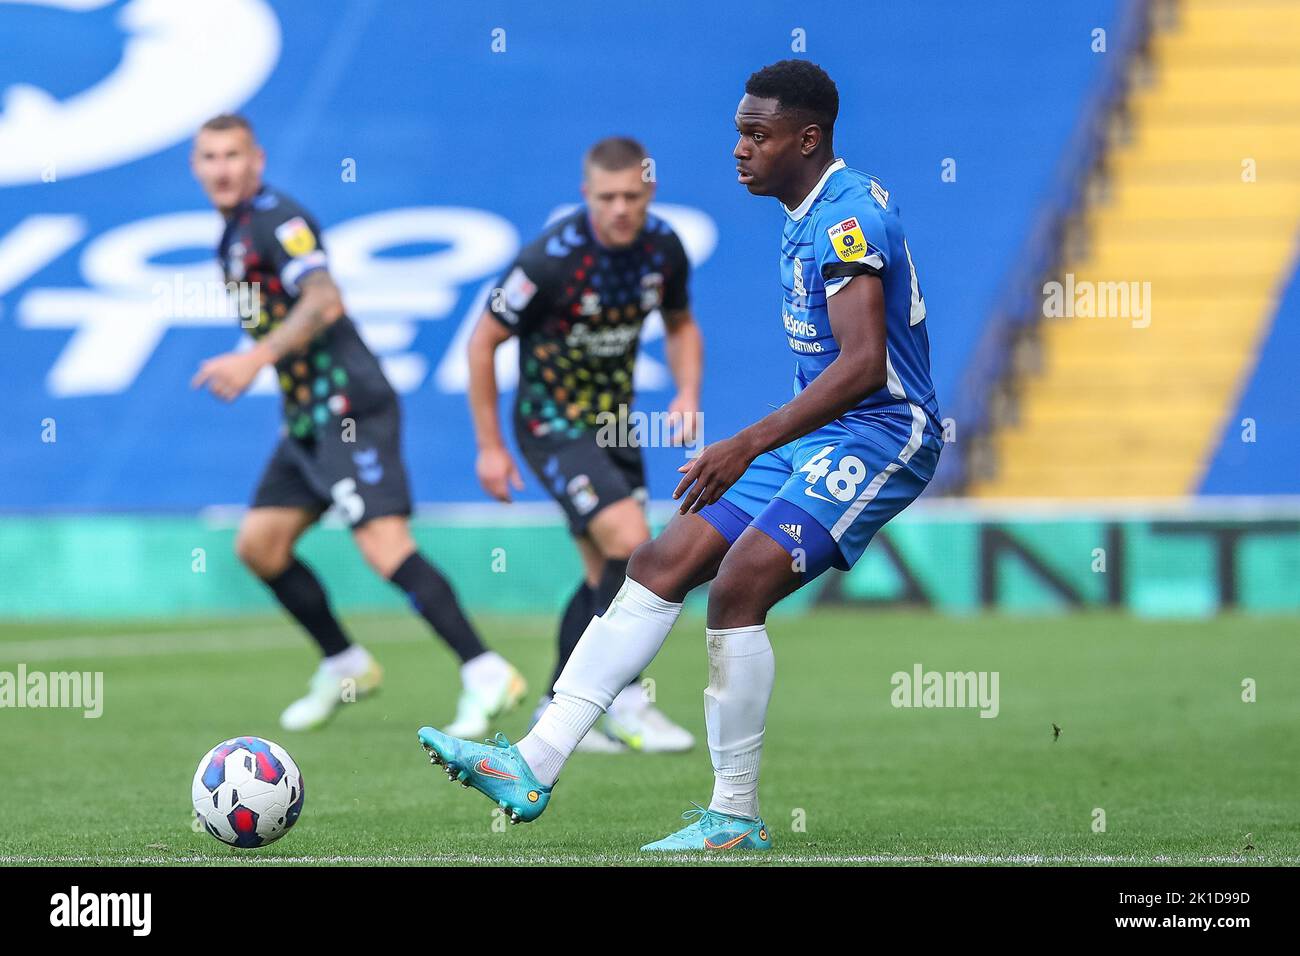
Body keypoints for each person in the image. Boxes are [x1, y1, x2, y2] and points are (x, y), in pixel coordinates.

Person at [416, 59, 942, 851]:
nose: (739, 149)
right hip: (818, 435)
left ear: (807, 138)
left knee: (736, 588)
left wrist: (746, 440)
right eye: (738, 131)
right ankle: (533, 759)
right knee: (661, 561)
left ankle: (734, 815)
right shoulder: (809, 207)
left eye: (756, 136)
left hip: (881, 433)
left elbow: (864, 366)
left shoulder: (846, 221)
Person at [190, 113, 524, 735]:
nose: (223, 168)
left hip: (348, 407)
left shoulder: (276, 221)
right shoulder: (231, 235)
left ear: (257, 160)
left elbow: (324, 298)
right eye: (210, 157)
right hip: (306, 418)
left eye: (233, 155)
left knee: (384, 546)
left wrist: (256, 357)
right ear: (196, 167)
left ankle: (485, 670)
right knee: (259, 546)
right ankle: (346, 663)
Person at [466, 136, 703, 752]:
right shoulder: (549, 260)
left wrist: (686, 392)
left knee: (607, 572)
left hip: (616, 427)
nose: (621, 208)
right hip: (552, 424)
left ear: (648, 190)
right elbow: (481, 342)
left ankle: (558, 708)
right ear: (586, 194)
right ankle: (620, 699)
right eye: (608, 197)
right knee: (634, 547)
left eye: (632, 195)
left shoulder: (663, 249)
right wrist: (490, 448)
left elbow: (680, 323)